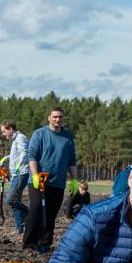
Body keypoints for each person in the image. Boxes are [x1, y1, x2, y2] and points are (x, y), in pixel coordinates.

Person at [26, 107, 79, 253]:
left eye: (60, 117)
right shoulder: (40, 134)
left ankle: (45, 243)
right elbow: (32, 156)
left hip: (58, 182)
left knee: (51, 214)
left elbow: (71, 160)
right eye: (55, 117)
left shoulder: (68, 137)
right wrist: (35, 175)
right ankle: (29, 244)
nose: (58, 119)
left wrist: (75, 180)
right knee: (36, 209)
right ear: (49, 118)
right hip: (39, 181)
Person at [0, 120, 30, 238]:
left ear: (11, 129)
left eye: (4, 131)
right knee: (15, 201)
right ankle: (19, 228)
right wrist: (5, 158)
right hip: (16, 174)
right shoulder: (14, 140)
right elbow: (15, 154)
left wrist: (18, 166)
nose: (3, 134)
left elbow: (24, 153)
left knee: (10, 200)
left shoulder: (20, 137)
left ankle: (30, 214)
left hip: (22, 173)